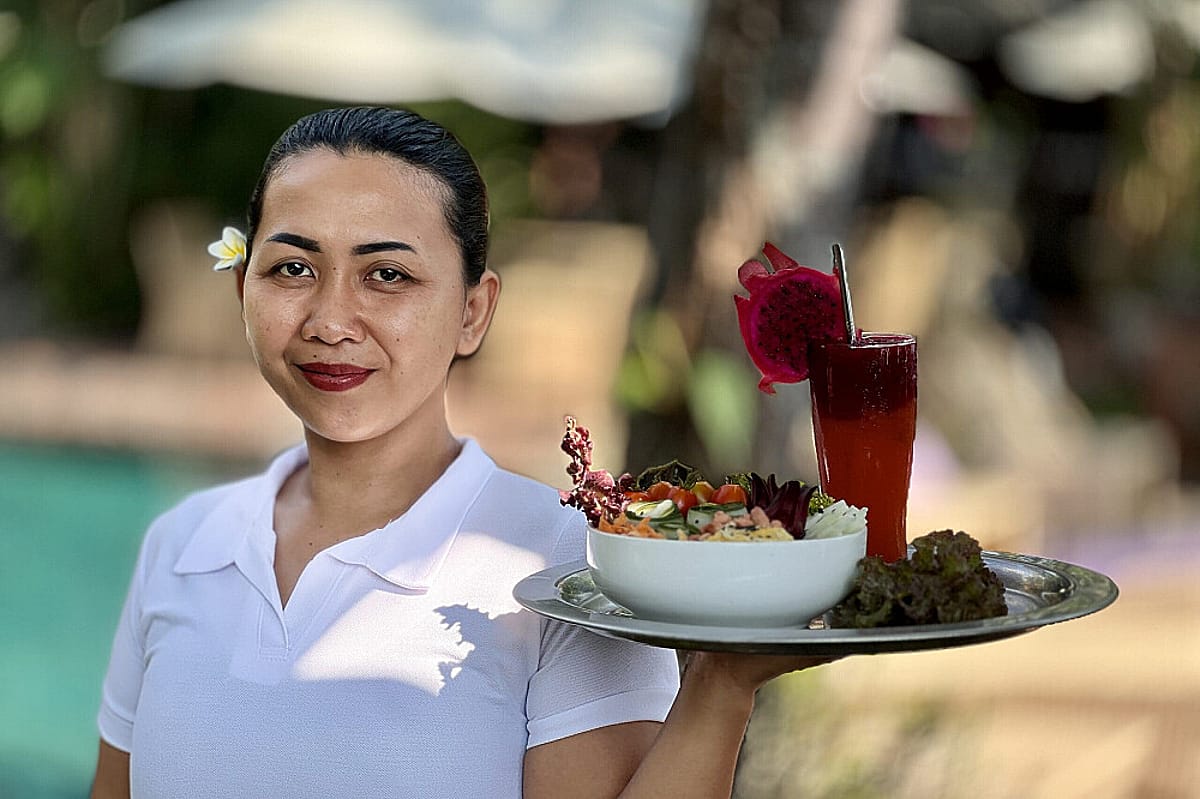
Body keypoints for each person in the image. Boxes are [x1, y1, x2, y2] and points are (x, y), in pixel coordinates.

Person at [90, 106, 830, 799]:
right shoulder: (182, 544)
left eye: (388, 275)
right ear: (242, 290)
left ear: (473, 312)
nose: (331, 319)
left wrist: (724, 683)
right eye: (292, 268)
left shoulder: (569, 564)